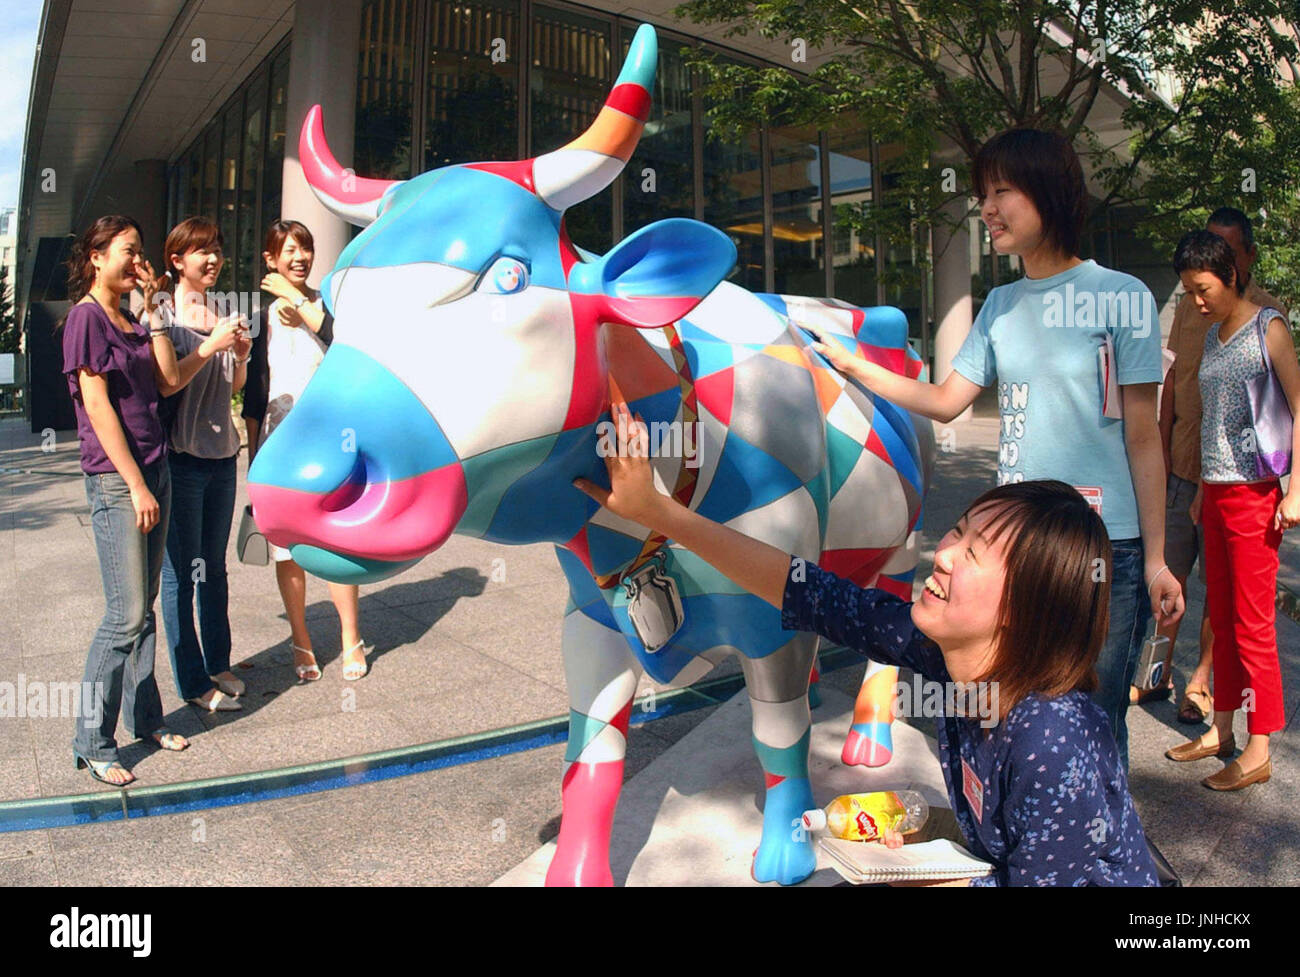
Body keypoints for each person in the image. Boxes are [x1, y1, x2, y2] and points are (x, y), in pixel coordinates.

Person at [574, 404, 1159, 885]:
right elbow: (804, 590)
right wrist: (660, 513)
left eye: (975, 553)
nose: (945, 554)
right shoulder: (949, 657)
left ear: (1025, 609)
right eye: (958, 531)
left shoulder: (1053, 736)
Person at [805, 128, 1183, 769]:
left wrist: (1154, 561)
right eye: (983, 193)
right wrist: (852, 364)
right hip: (1011, 549)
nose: (986, 208)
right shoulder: (1001, 305)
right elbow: (946, 398)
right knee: (1004, 705)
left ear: (1051, 193)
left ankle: (1103, 858)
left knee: (1096, 717)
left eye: (1002, 191)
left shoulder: (1123, 297)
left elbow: (1143, 438)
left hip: (1100, 550)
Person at [1165, 230, 1297, 790]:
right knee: (1220, 614)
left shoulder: (1269, 327)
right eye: (1190, 291)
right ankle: (1222, 729)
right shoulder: (1216, 336)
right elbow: (1216, 419)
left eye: (1203, 289)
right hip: (1214, 492)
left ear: (1231, 275)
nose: (1196, 301)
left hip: (1255, 494)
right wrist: (1200, 488)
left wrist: (1296, 489)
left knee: (1252, 625)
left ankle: (1260, 745)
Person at [63, 215, 188, 785]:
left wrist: (155, 305)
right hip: (119, 482)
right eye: (128, 251)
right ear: (96, 256)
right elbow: (97, 407)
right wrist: (135, 484)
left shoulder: (132, 316)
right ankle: (92, 740)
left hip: (155, 470)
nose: (137, 261)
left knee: (145, 611)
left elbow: (164, 382)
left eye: (141, 253)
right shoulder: (87, 319)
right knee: (124, 614)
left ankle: (147, 718)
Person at [243, 219, 368, 681]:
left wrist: (298, 301)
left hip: (333, 443)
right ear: (270, 260)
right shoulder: (259, 321)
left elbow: (347, 345)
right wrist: (253, 460)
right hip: (280, 447)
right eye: (289, 250)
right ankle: (301, 639)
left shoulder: (326, 303)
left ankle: (351, 637)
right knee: (287, 551)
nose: (300, 257)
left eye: (306, 248)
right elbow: (255, 398)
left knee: (337, 541)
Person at [158, 217, 252, 713]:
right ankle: (193, 683)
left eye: (216, 248)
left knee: (213, 568)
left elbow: (232, 390)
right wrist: (210, 345)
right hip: (181, 456)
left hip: (221, 454)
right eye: (202, 252)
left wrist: (240, 357)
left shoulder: (223, 309)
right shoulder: (160, 311)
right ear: (177, 261)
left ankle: (219, 663)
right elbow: (166, 383)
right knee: (181, 574)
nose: (213, 259)